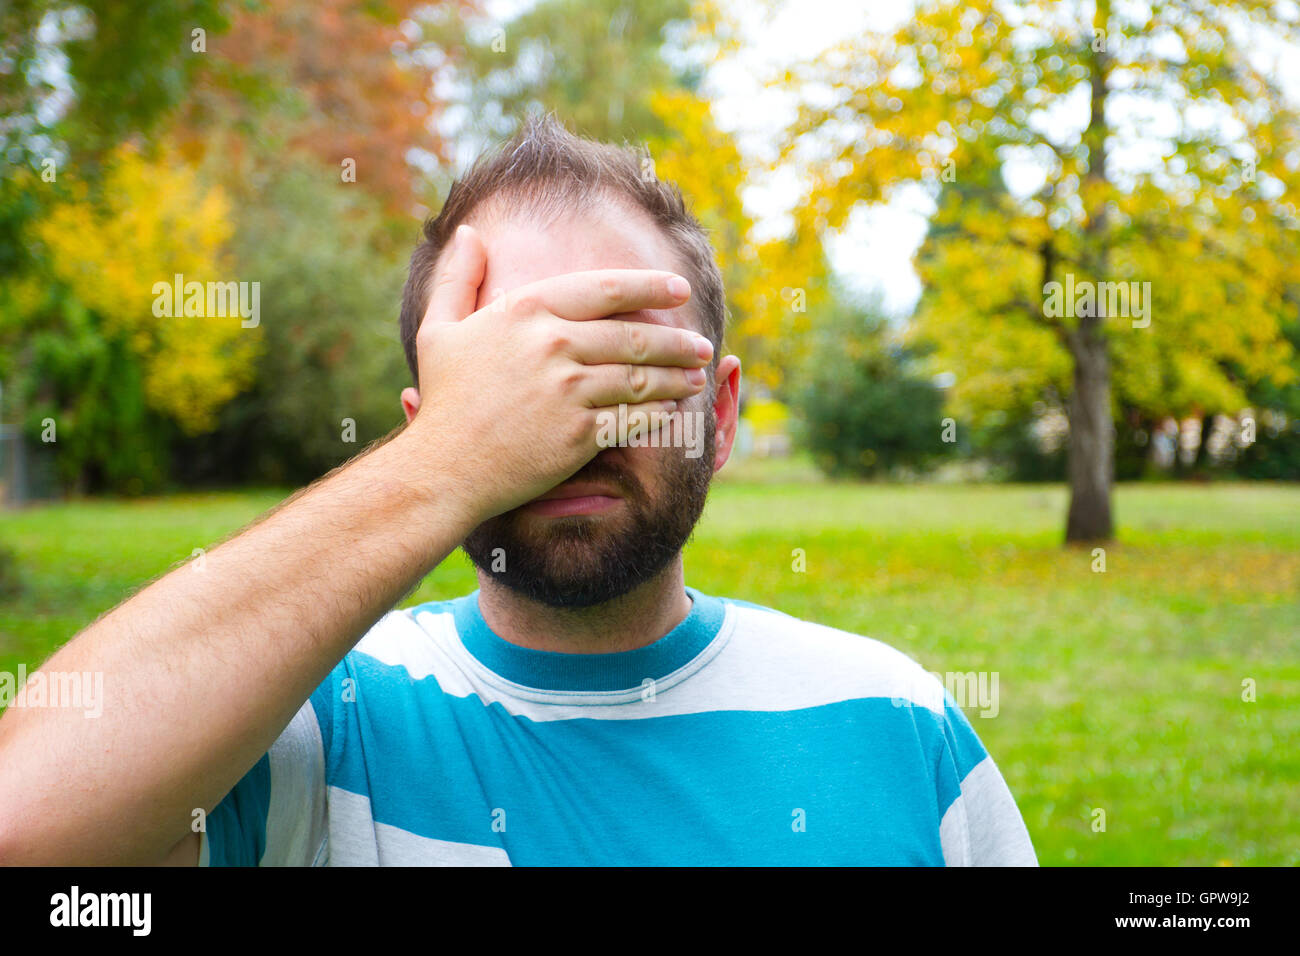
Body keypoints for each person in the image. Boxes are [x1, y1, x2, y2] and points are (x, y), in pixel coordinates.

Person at [0, 115, 1036, 866]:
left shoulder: (892, 719)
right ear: (432, 425)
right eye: (511, 384)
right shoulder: (316, 727)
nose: (564, 432)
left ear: (718, 415)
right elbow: (28, 830)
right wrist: (445, 470)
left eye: (622, 366)